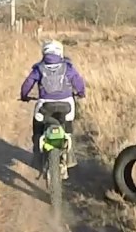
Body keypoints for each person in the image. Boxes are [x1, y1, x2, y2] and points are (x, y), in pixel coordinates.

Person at [19, 40, 86, 174]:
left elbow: (27, 83)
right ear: (60, 52)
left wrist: (24, 96)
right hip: (66, 104)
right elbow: (78, 81)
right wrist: (81, 93)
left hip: (45, 105)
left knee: (37, 124)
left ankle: (37, 154)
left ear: (44, 52)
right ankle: (70, 156)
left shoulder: (39, 68)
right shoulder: (68, 67)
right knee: (68, 126)